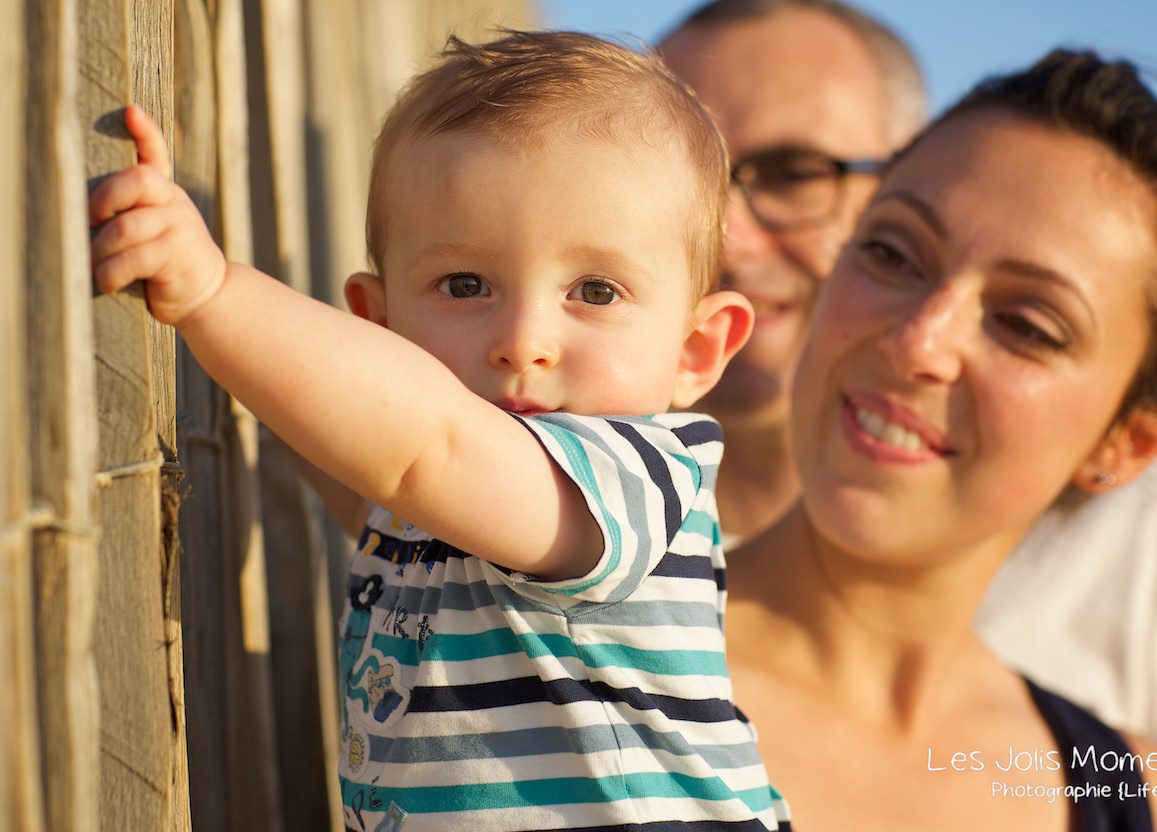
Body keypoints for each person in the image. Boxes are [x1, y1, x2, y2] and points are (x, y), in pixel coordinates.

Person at [88, 31, 792, 832]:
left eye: (595, 290)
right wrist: (265, 374)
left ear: (695, 350)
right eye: (466, 284)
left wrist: (213, 295)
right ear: (379, 323)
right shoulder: (441, 503)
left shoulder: (636, 477)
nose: (524, 340)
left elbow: (427, 448)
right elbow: (366, 457)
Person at [661, 3, 1157, 828]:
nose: (918, 343)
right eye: (893, 253)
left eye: (1027, 325)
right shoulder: (565, 668)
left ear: (1134, 439)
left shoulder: (1142, 796)